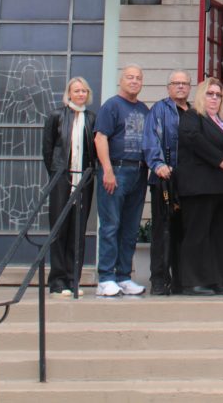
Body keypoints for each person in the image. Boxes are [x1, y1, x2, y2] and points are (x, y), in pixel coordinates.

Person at [174, 77, 223, 296]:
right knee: (198, 234)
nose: (214, 98)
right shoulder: (192, 116)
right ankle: (192, 282)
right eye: (210, 94)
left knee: (219, 237)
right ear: (201, 95)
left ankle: (216, 280)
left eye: (218, 95)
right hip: (200, 186)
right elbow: (193, 140)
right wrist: (221, 160)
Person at [93, 64, 150, 297]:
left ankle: (123, 276)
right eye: (130, 77)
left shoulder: (144, 109)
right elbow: (100, 138)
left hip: (139, 171)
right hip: (116, 170)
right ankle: (105, 278)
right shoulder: (112, 106)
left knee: (130, 228)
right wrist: (107, 170)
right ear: (121, 80)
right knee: (111, 225)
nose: (134, 81)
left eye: (138, 78)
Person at [41, 76, 95, 297]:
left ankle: (73, 280)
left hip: (83, 180)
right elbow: (48, 149)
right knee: (59, 228)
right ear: (69, 93)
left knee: (77, 230)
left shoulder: (91, 118)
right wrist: (57, 173)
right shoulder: (56, 116)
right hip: (62, 179)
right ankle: (57, 280)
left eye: (84, 91)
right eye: (76, 90)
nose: (80, 94)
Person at [142, 70, 190, 296]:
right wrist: (158, 164)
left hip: (186, 181)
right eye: (176, 83)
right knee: (163, 231)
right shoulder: (159, 109)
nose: (180, 86)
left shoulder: (193, 111)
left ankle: (181, 280)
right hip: (164, 179)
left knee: (183, 231)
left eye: (184, 83)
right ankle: (159, 280)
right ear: (168, 87)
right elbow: (150, 139)